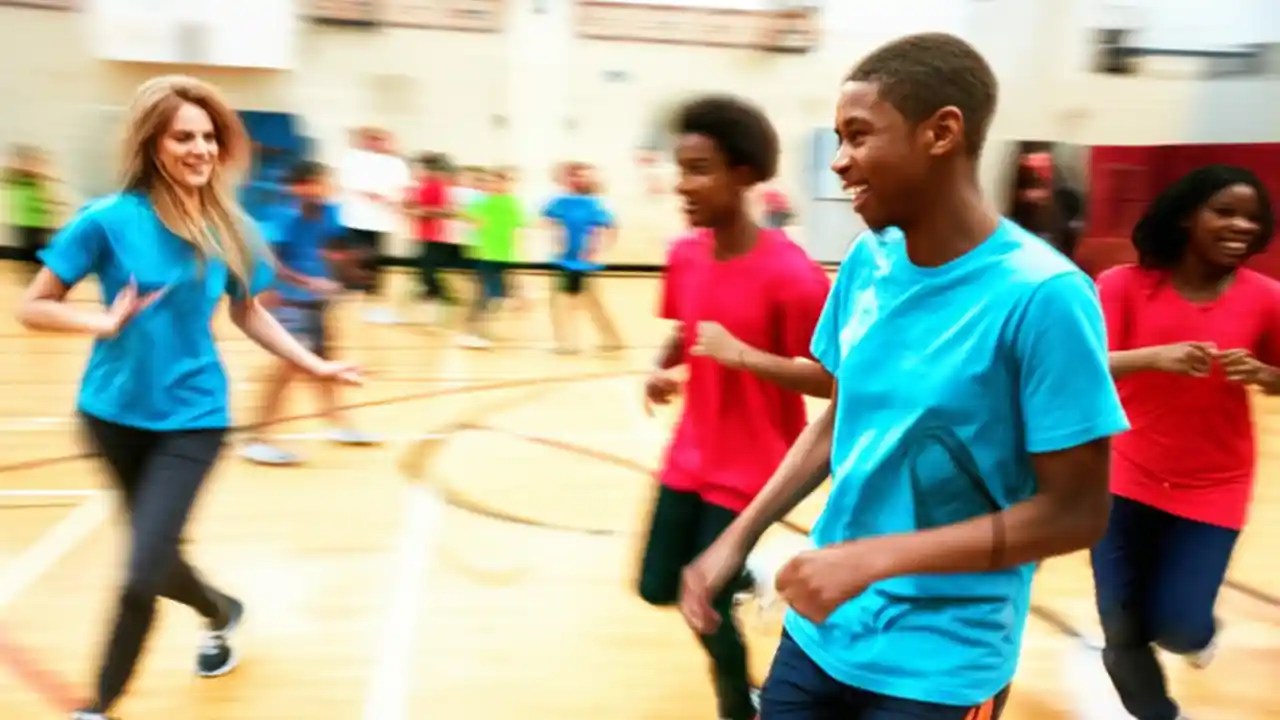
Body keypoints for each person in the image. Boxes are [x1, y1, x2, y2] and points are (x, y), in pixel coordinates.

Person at [679, 33, 1129, 720]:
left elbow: (1076, 512)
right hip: (823, 633)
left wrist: (874, 559)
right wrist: (737, 538)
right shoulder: (867, 262)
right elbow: (839, 418)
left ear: (941, 133)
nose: (839, 160)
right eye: (838, 138)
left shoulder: (1045, 296)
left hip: (942, 665)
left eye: (858, 135)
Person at [14, 75, 361, 720]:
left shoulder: (233, 228)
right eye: (183, 137)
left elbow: (248, 310)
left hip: (193, 420)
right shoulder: (107, 221)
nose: (200, 149)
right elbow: (33, 306)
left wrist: (314, 363)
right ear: (154, 144)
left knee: (140, 572)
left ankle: (98, 706)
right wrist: (100, 322)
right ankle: (221, 611)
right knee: (156, 557)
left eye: (208, 137)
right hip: (110, 415)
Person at [639, 94, 831, 720]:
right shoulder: (685, 254)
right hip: (689, 453)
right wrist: (664, 365)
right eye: (681, 169)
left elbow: (831, 381)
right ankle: (747, 575)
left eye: (699, 170)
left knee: (704, 602)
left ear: (744, 174)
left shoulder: (793, 276)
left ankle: (739, 702)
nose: (683, 185)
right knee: (655, 585)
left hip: (753, 464)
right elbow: (687, 326)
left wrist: (743, 356)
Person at [1092, 165, 1277, 720]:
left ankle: (1198, 635)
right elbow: (1082, 365)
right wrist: (1154, 357)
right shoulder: (1122, 285)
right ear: (1184, 217)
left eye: (1252, 218)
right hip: (1123, 476)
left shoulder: (1267, 298)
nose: (1241, 225)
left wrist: (1265, 374)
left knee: (1178, 625)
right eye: (1225, 212)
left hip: (1213, 485)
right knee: (1122, 632)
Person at [240, 159, 379, 466]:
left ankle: (337, 423)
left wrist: (347, 271)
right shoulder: (282, 217)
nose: (324, 188)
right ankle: (257, 439)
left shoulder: (330, 213)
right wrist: (304, 283)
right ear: (298, 187)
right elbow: (271, 263)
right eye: (317, 182)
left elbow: (332, 250)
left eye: (325, 183)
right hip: (290, 303)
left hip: (317, 303)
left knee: (325, 361)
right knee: (287, 367)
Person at [540, 162, 623, 353]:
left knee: (590, 302)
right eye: (573, 175)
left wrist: (598, 250)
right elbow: (546, 222)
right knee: (560, 303)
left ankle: (611, 340)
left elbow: (610, 227)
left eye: (581, 175)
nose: (577, 179)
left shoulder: (593, 204)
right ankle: (566, 343)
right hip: (562, 261)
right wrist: (554, 242)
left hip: (584, 263)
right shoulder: (559, 202)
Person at [336, 127, 410, 325]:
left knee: (375, 260)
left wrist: (391, 200)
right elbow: (348, 183)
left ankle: (372, 300)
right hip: (356, 217)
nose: (377, 143)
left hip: (382, 221)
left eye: (381, 139)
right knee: (355, 256)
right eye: (373, 139)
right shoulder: (353, 158)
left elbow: (401, 191)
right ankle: (350, 296)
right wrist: (369, 193)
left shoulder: (396, 164)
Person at [458, 167, 525, 349]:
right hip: (484, 254)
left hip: (504, 255)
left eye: (500, 181)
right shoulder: (482, 202)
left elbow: (516, 230)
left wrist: (516, 255)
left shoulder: (513, 203)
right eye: (491, 181)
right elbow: (471, 220)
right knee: (485, 295)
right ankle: (472, 333)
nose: (495, 185)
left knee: (496, 296)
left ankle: (477, 331)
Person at [407, 152, 459, 322]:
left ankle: (439, 292)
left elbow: (446, 210)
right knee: (424, 264)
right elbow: (411, 206)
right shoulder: (421, 187)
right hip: (423, 232)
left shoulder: (439, 187)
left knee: (428, 264)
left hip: (436, 233)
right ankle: (432, 291)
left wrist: (422, 211)